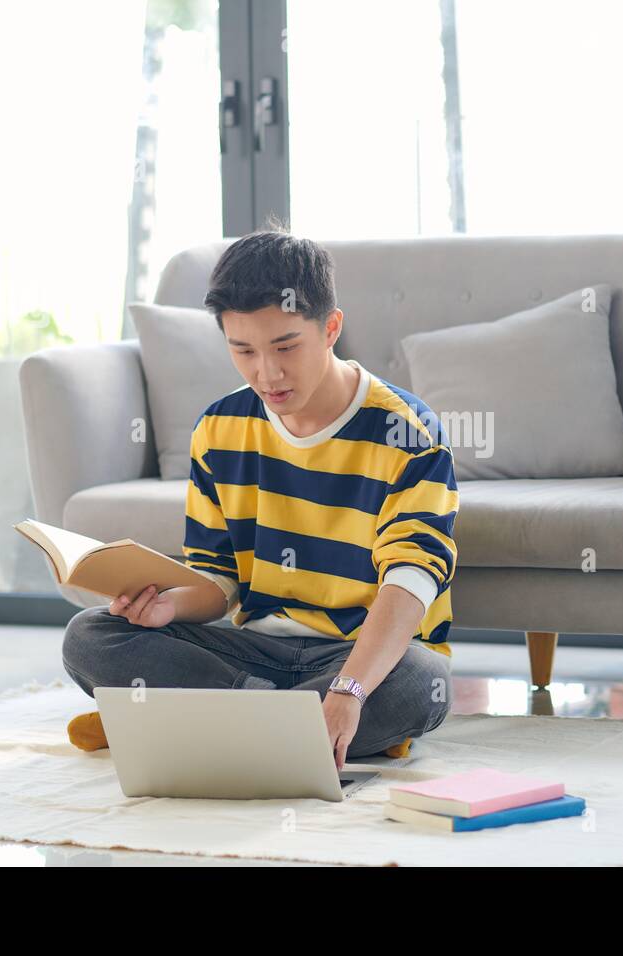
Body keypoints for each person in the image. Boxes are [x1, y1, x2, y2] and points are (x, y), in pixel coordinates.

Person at [60, 229, 458, 769]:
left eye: (286, 347)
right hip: (252, 654)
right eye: (242, 350)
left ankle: (181, 721)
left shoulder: (407, 430)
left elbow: (410, 581)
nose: (266, 373)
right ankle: (284, 729)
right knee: (89, 637)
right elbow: (218, 580)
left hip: (358, 658)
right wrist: (167, 606)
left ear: (331, 328)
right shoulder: (219, 429)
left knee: (421, 680)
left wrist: (348, 692)